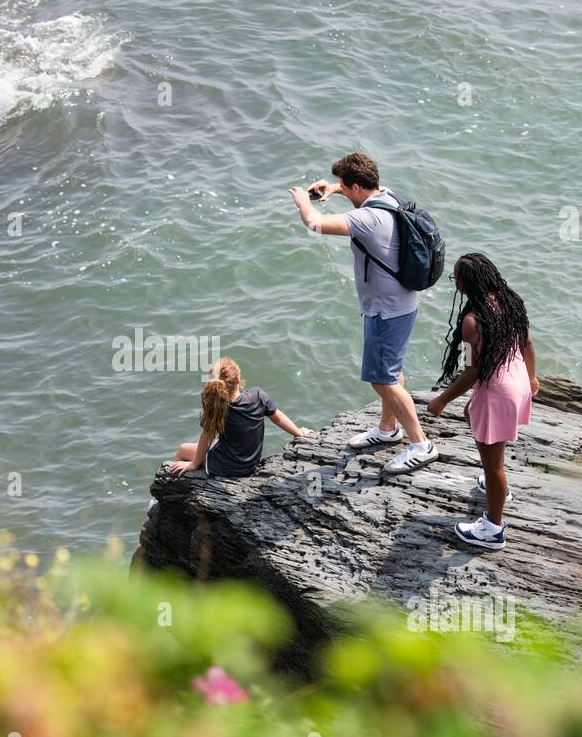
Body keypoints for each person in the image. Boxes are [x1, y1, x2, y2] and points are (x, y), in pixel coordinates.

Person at [288, 151, 438, 475]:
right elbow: (355, 190)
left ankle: (421, 445)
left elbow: (315, 223)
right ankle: (388, 429)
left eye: (345, 186)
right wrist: (333, 188)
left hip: (387, 310)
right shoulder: (388, 197)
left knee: (382, 380)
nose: (342, 190)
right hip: (401, 303)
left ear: (357, 187)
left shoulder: (366, 220)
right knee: (392, 372)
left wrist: (303, 200)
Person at [428, 253, 538, 551]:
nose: (455, 284)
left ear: (465, 283)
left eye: (455, 279)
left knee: (494, 467)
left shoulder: (472, 321)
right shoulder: (511, 303)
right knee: (471, 413)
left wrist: (441, 400)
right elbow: (527, 345)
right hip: (515, 383)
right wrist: (532, 379)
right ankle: (494, 485)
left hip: (497, 392)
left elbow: (471, 370)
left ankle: (493, 528)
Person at [171, 356, 311, 478]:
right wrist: (299, 433)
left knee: (183, 449)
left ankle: (167, 488)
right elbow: (278, 418)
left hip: (225, 468)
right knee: (216, 438)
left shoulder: (217, 407)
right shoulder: (258, 396)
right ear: (238, 380)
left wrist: (194, 464)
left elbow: (205, 436)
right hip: (250, 465)